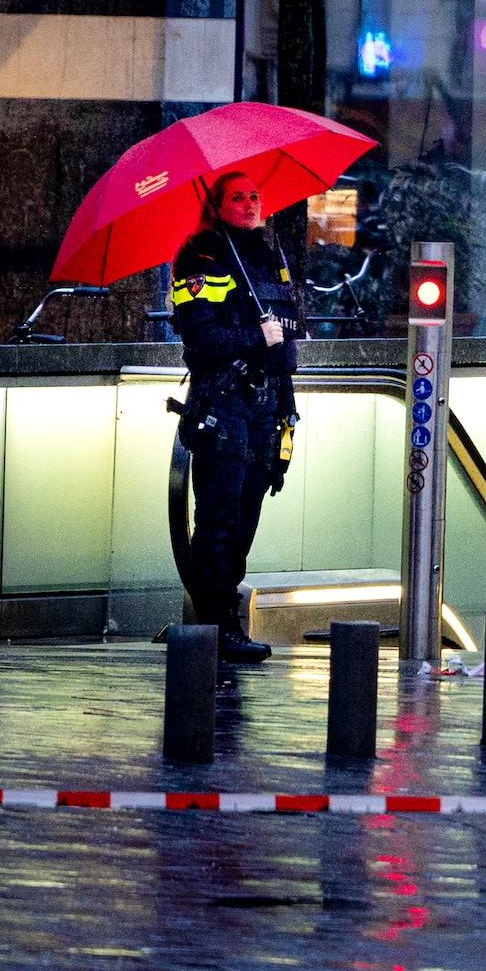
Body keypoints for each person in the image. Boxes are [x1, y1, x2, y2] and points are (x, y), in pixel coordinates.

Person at [170, 172, 304, 664]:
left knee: (246, 521)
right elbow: (200, 340)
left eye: (254, 195)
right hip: (223, 405)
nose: (249, 203)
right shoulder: (200, 255)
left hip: (266, 406)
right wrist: (254, 338)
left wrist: (287, 408)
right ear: (216, 204)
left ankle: (227, 624)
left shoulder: (269, 254)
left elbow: (286, 342)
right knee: (220, 521)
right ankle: (215, 630)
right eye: (237, 196)